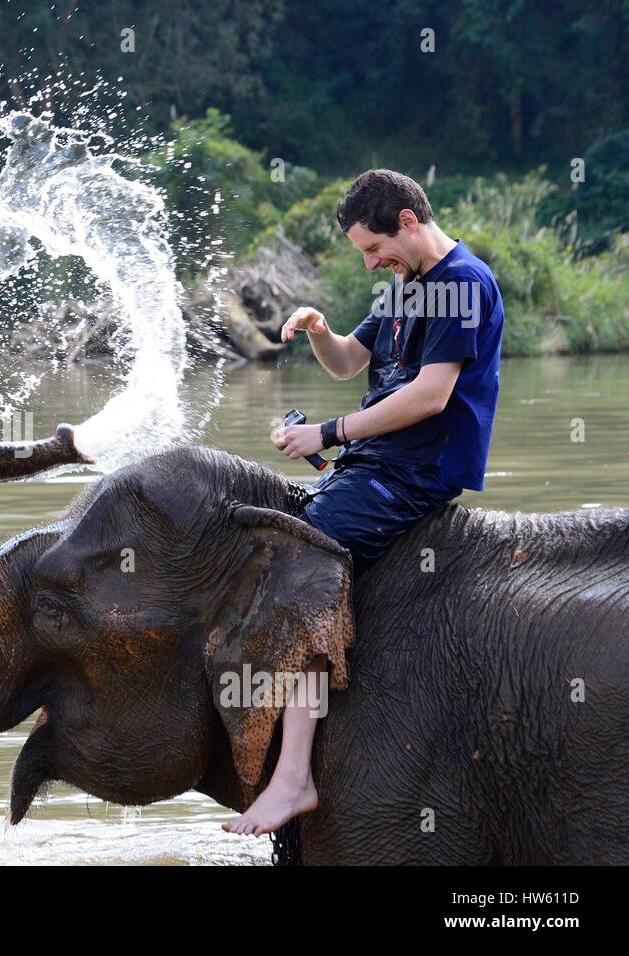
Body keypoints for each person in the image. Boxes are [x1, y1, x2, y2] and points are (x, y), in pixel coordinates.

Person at [224, 168, 505, 837]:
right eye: (363, 254)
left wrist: (327, 433)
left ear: (408, 220)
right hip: (375, 463)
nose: (370, 261)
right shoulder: (404, 285)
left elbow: (431, 395)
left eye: (372, 247)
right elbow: (351, 363)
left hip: (416, 473)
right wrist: (319, 329)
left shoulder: (462, 285)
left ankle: (295, 776)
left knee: (307, 563)